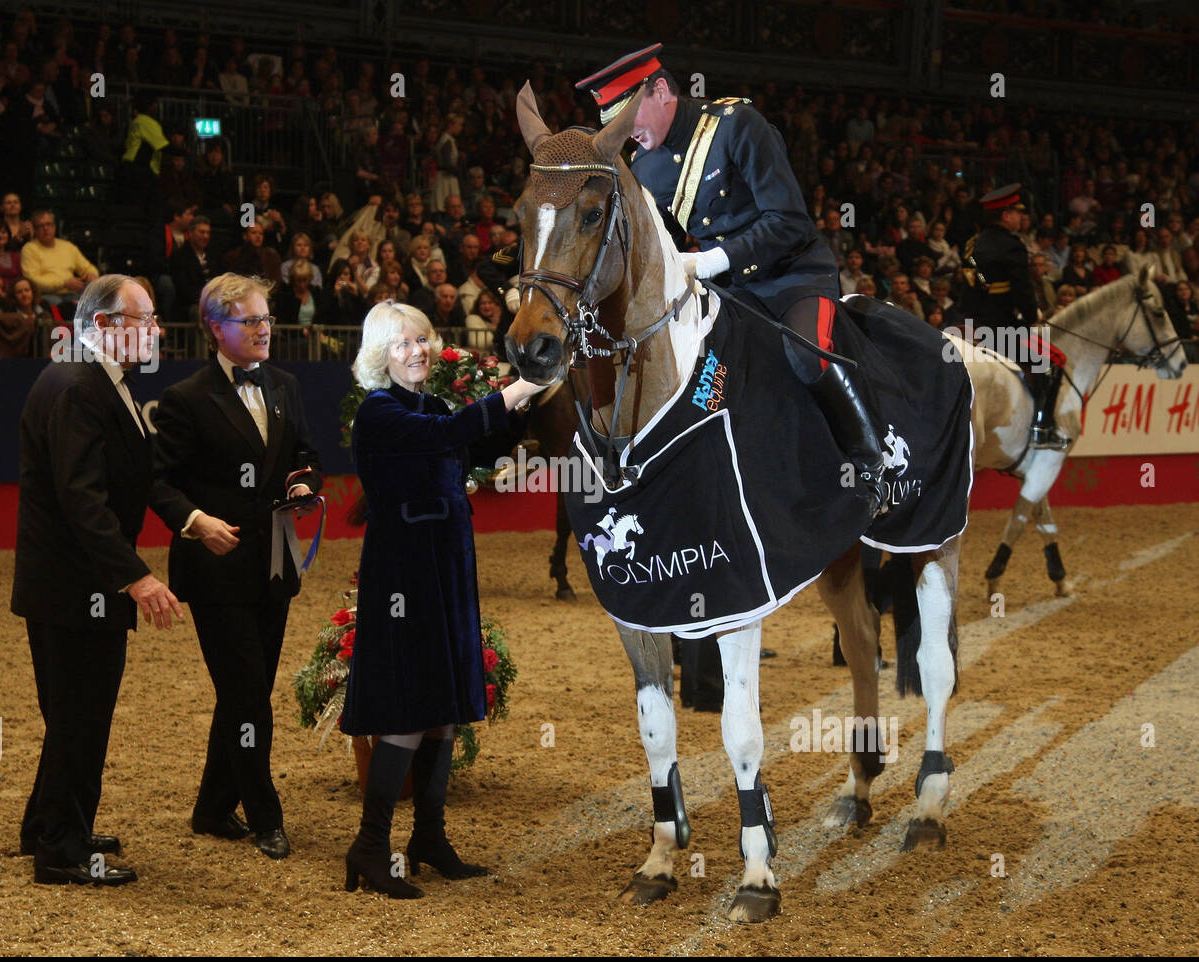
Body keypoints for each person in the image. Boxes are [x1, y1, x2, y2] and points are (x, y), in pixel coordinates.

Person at [577, 45, 888, 519]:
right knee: (702, 386)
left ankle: (870, 465)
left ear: (660, 91)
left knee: (808, 356)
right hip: (730, 293)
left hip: (791, 276)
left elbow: (788, 221)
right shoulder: (643, 167)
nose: (627, 135)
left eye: (628, 119)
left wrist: (708, 261)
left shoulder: (737, 126)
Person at [341, 300, 543, 897]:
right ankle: (370, 846)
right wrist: (505, 397)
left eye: (423, 340)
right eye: (403, 343)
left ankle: (428, 837)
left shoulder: (430, 405)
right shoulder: (378, 412)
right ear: (381, 354)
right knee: (407, 708)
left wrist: (520, 405)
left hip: (447, 566)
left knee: (442, 711)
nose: (418, 351)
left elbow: (478, 449)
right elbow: (448, 435)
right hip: (404, 572)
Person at [13, 274, 182, 886]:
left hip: (66, 584)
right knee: (82, 714)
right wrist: (135, 578)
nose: (156, 331)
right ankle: (62, 849)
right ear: (106, 325)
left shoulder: (90, 379)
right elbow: (83, 500)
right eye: (146, 319)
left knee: (70, 713)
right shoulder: (82, 386)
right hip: (75, 588)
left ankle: (51, 823)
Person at [152, 273, 323, 861]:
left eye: (266, 319)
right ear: (214, 327)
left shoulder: (285, 385)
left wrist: (305, 481)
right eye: (250, 321)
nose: (263, 330)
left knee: (243, 690)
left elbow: (304, 453)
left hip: (274, 561)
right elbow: (158, 480)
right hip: (215, 569)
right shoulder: (185, 399)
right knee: (248, 692)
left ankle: (210, 805)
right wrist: (195, 520)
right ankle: (264, 812)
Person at [959, 184, 1068, 449]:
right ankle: (1042, 427)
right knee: (1055, 362)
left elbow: (975, 281)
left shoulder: (973, 245)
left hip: (973, 325)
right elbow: (1022, 289)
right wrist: (1032, 317)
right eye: (1018, 213)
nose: (1022, 218)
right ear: (1005, 215)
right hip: (1002, 330)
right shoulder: (1012, 246)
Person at [21, 211, 99, 307]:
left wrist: (91, 274)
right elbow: (32, 280)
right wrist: (63, 284)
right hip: (47, 295)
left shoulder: (67, 246)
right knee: (62, 305)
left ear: (54, 227)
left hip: (72, 293)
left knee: (94, 300)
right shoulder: (29, 249)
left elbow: (87, 267)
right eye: (40, 226)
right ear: (35, 230)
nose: (45, 228)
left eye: (49, 224)